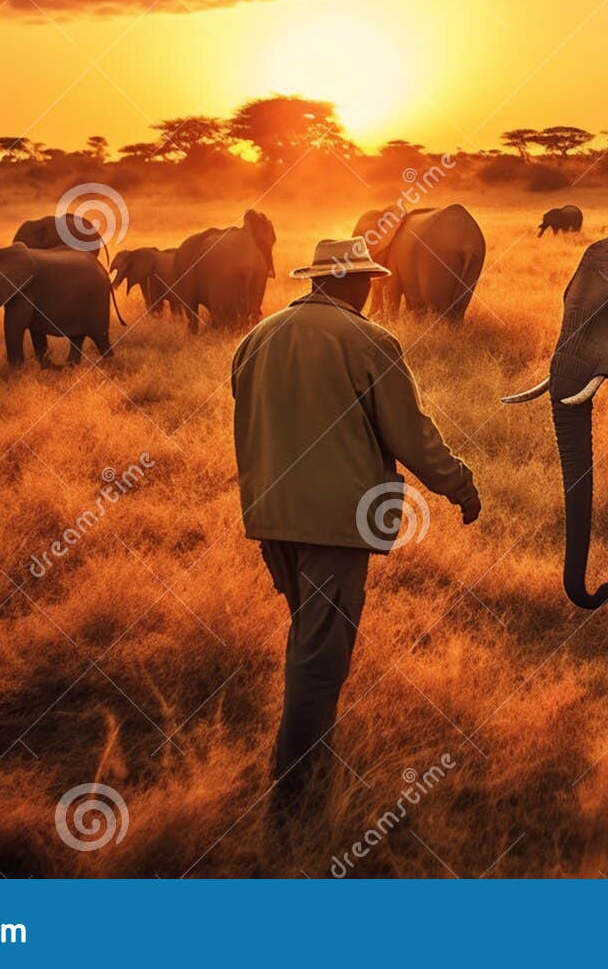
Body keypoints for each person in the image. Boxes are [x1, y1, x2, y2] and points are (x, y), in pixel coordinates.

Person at [231, 235, 481, 811]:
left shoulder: (256, 338)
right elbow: (411, 435)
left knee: (307, 636)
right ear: (350, 283)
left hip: (271, 516)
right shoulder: (370, 341)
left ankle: (304, 760)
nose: (371, 291)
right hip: (335, 524)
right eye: (367, 282)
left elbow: (246, 422)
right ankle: (296, 796)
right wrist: (459, 485)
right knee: (321, 658)